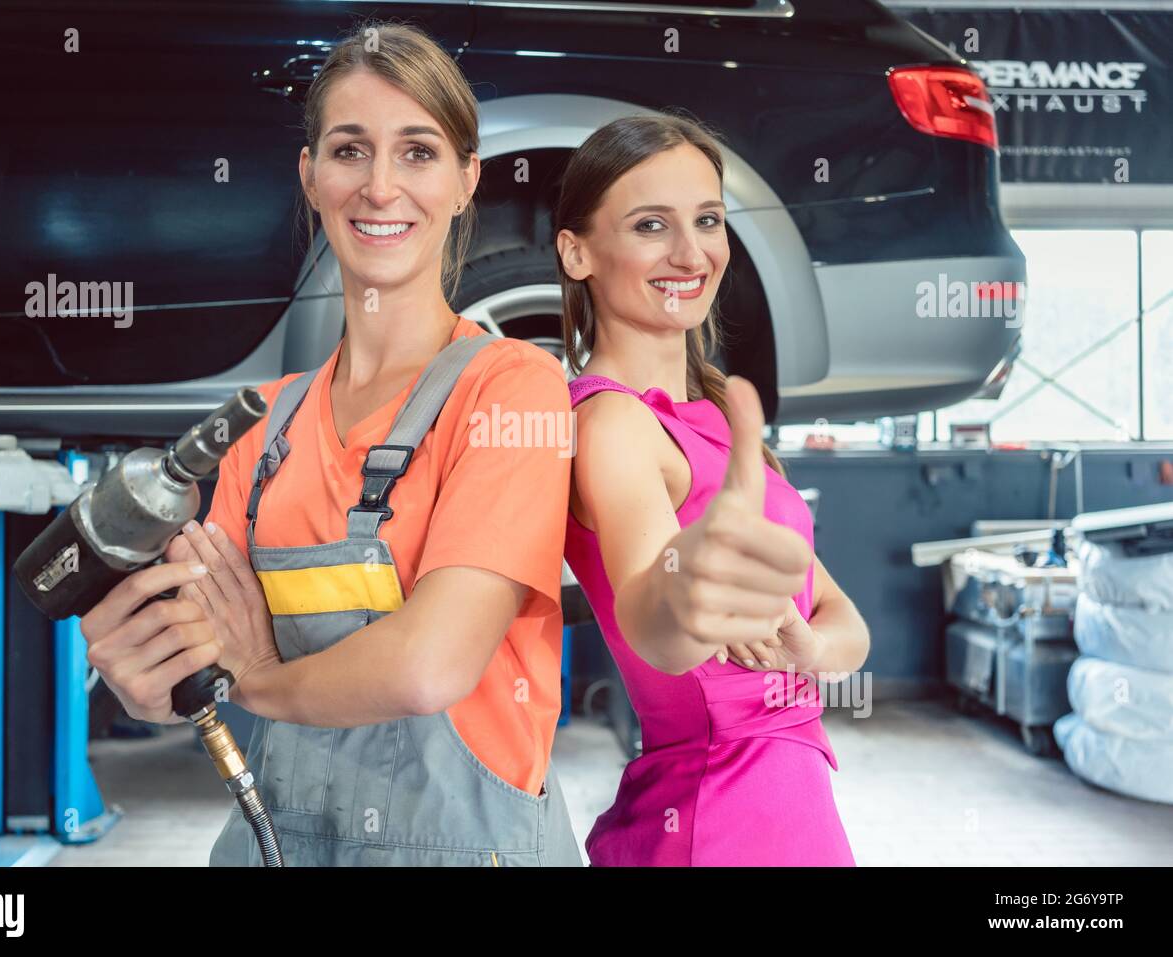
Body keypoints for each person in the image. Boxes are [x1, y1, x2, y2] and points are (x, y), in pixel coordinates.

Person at [80, 21, 582, 867]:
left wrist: (259, 676)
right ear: (311, 177)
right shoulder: (263, 428)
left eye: (418, 152)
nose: (381, 187)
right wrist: (154, 681)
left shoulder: (511, 390)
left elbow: (430, 664)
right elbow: (201, 658)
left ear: (466, 182)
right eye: (350, 151)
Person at [555, 113, 870, 866]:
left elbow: (844, 621)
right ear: (577, 252)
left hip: (792, 790)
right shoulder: (612, 425)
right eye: (651, 225)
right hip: (722, 806)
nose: (690, 252)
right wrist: (692, 581)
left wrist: (807, 644)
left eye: (708, 220)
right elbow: (658, 629)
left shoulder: (721, 411)